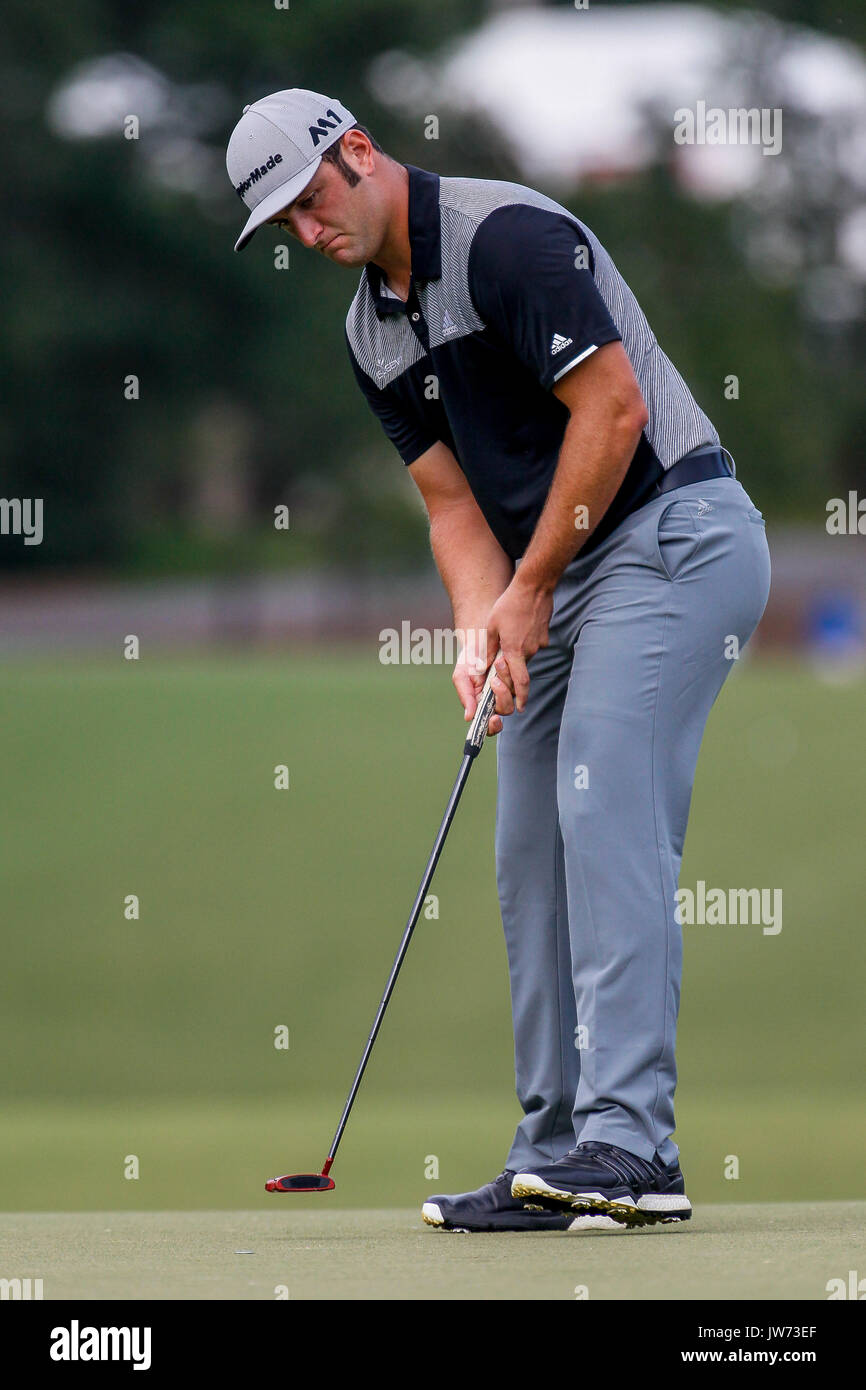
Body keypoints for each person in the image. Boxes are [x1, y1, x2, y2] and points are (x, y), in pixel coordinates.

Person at [226, 89, 771, 1233]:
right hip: (554, 583)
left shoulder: (506, 238)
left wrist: (527, 592)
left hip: (673, 536)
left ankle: (633, 1147)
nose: (308, 233)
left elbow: (611, 412)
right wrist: (482, 629)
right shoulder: (369, 333)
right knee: (527, 849)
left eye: (311, 201)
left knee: (604, 810)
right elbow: (449, 503)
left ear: (358, 154)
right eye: (284, 226)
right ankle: (552, 1153)